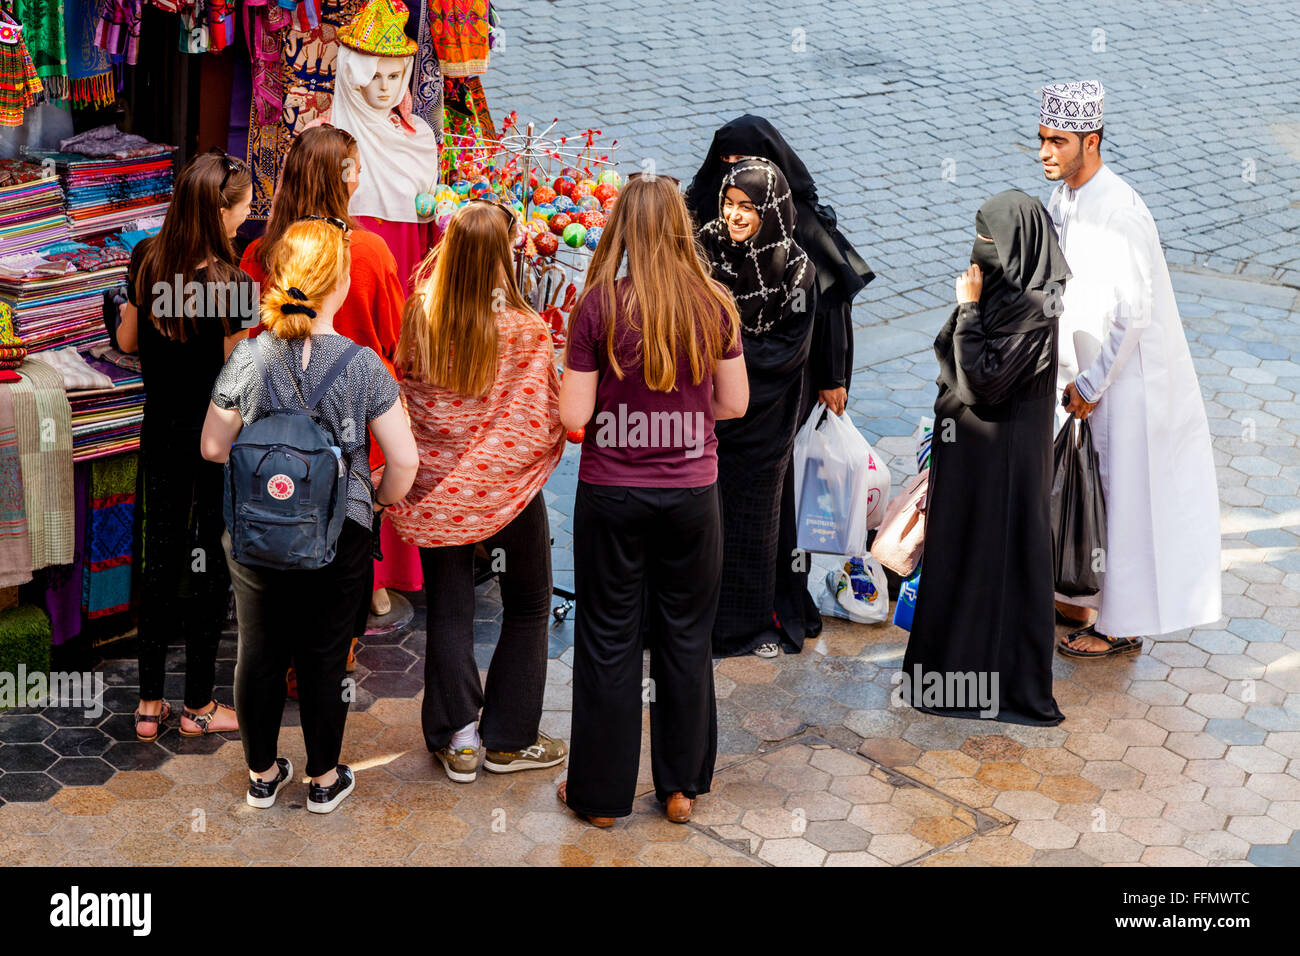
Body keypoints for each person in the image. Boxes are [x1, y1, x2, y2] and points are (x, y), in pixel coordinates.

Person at [201, 218, 418, 813]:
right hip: (338, 532)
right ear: (341, 284)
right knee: (326, 654)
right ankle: (324, 779)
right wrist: (372, 498)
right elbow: (404, 461)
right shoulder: (365, 366)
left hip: (255, 529)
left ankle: (262, 775)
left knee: (259, 650)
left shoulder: (249, 357)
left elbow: (214, 448)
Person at [557, 173, 748, 827]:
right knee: (685, 637)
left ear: (622, 232)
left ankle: (603, 798)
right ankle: (681, 787)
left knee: (608, 639)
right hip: (692, 494)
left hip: (611, 493)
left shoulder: (597, 308)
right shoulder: (716, 303)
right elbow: (735, 402)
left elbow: (574, 415)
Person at [1036, 81, 1222, 658]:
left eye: (1058, 142)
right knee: (1084, 487)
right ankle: (1083, 594)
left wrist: (1092, 385)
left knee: (1123, 496)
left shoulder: (1121, 212)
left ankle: (1119, 624)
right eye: (1041, 140)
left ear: (1090, 142)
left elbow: (1133, 313)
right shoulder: (1061, 199)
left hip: (1126, 384)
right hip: (1080, 377)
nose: (1045, 153)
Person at [389, 201, 568, 783]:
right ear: (502, 258)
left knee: (450, 606)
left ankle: (457, 739)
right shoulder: (525, 329)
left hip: (437, 491)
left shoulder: (420, 313)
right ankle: (508, 741)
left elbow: (410, 395)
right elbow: (542, 417)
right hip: (509, 492)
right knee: (527, 603)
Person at [687, 116, 875, 649]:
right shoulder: (706, 232)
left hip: (775, 392)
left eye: (748, 200)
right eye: (727, 182)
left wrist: (834, 376)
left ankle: (753, 609)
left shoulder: (798, 252)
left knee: (757, 510)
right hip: (715, 397)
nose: (734, 201)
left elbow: (829, 305)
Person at [241, 123, 418, 633]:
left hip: (281, 420)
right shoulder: (369, 252)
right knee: (352, 514)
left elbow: (246, 339)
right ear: (343, 180)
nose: (360, 173)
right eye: (356, 166)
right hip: (356, 416)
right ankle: (361, 607)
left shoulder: (259, 254)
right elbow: (394, 339)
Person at [900, 190, 1068, 726]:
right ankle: (946, 679)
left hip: (1004, 466)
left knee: (997, 564)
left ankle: (996, 687)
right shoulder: (1001, 289)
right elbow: (946, 350)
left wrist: (969, 308)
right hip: (971, 459)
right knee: (960, 558)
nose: (979, 252)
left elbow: (980, 382)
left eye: (990, 241)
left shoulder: (1036, 307)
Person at [116, 149, 256, 742]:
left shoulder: (146, 260)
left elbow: (126, 340)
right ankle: (199, 705)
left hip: (160, 430)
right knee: (208, 563)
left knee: (159, 558)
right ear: (220, 212)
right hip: (212, 443)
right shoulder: (233, 287)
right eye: (245, 208)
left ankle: (149, 706)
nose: (248, 218)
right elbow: (232, 383)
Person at [696, 157, 816, 659]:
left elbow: (789, 351)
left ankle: (738, 626)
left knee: (750, 524)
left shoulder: (797, 269)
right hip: (704, 416)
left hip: (766, 420)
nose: (735, 216)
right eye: (729, 202)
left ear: (771, 209)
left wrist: (726, 360)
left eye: (748, 207)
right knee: (701, 523)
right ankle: (693, 621)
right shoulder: (702, 248)